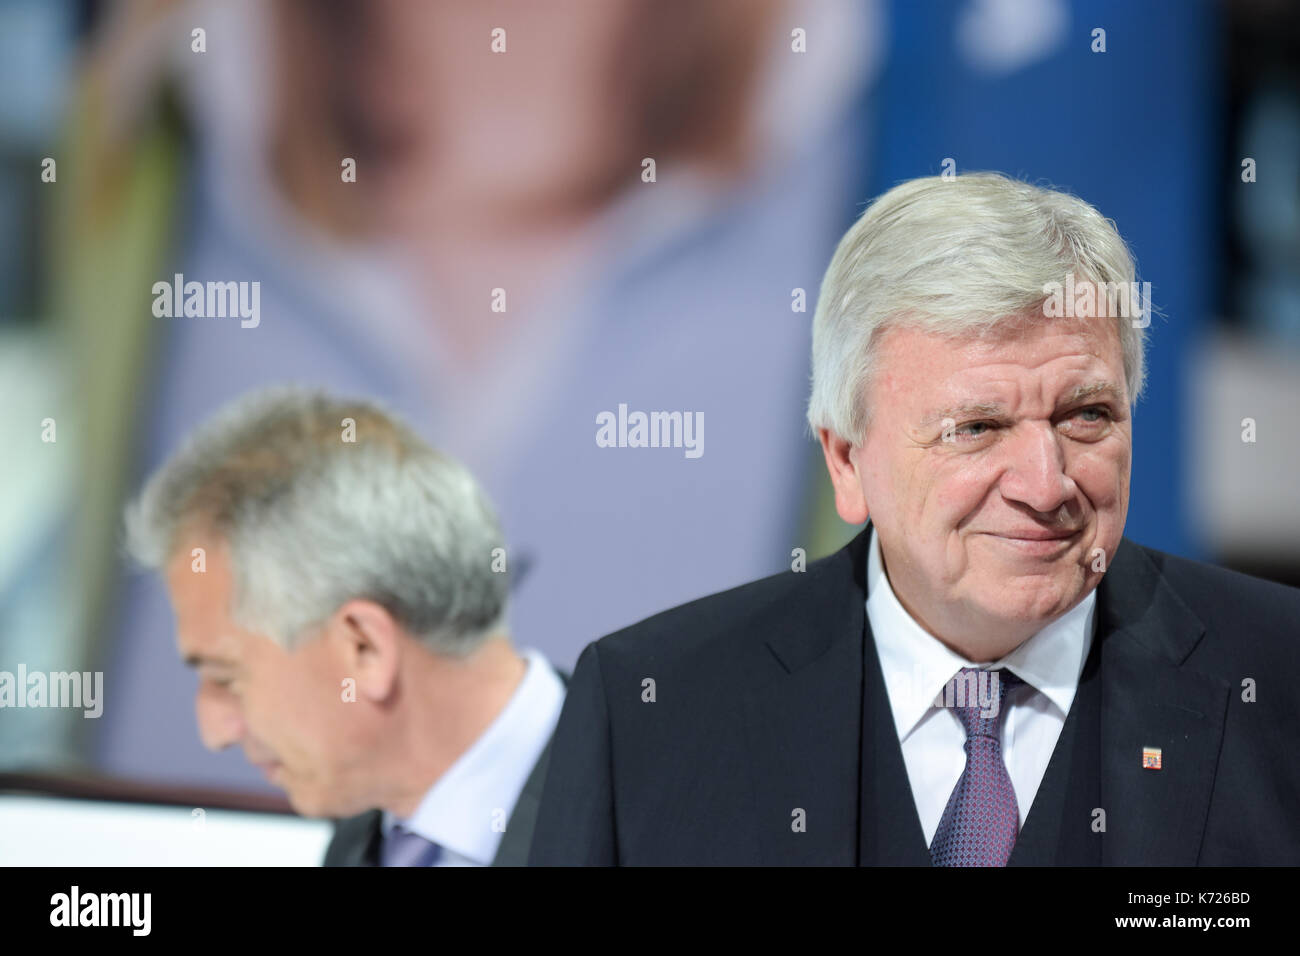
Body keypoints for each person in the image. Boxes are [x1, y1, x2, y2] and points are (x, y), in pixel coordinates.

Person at [528, 172, 1300, 866]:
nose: (1046, 482)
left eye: (1087, 414)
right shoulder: (649, 711)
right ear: (845, 462)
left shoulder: (1279, 679)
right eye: (976, 428)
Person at [124, 387, 565, 866]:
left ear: (364, 647)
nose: (214, 732)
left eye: (226, 677)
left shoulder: (645, 819)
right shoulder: (354, 837)